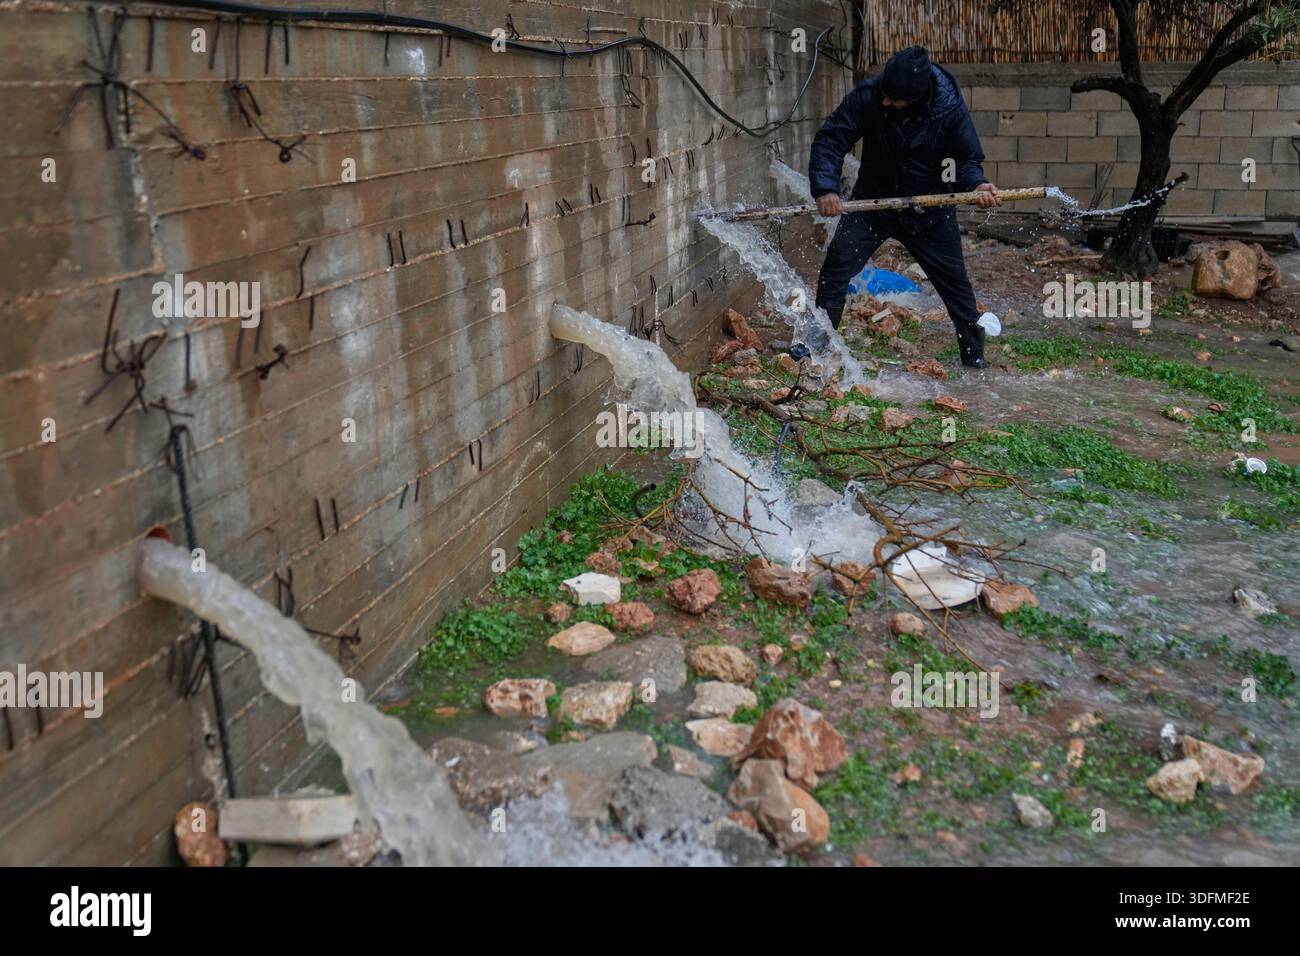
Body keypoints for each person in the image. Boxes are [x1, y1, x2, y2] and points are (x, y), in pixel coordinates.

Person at [807, 46, 1001, 368]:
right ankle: (818, 347)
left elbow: (964, 160)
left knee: (956, 288)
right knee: (836, 269)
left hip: (929, 213)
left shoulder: (948, 109)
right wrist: (826, 188)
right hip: (874, 203)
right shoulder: (870, 96)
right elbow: (831, 140)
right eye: (884, 94)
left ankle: (973, 357)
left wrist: (977, 185)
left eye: (893, 99)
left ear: (917, 97)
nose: (885, 102)